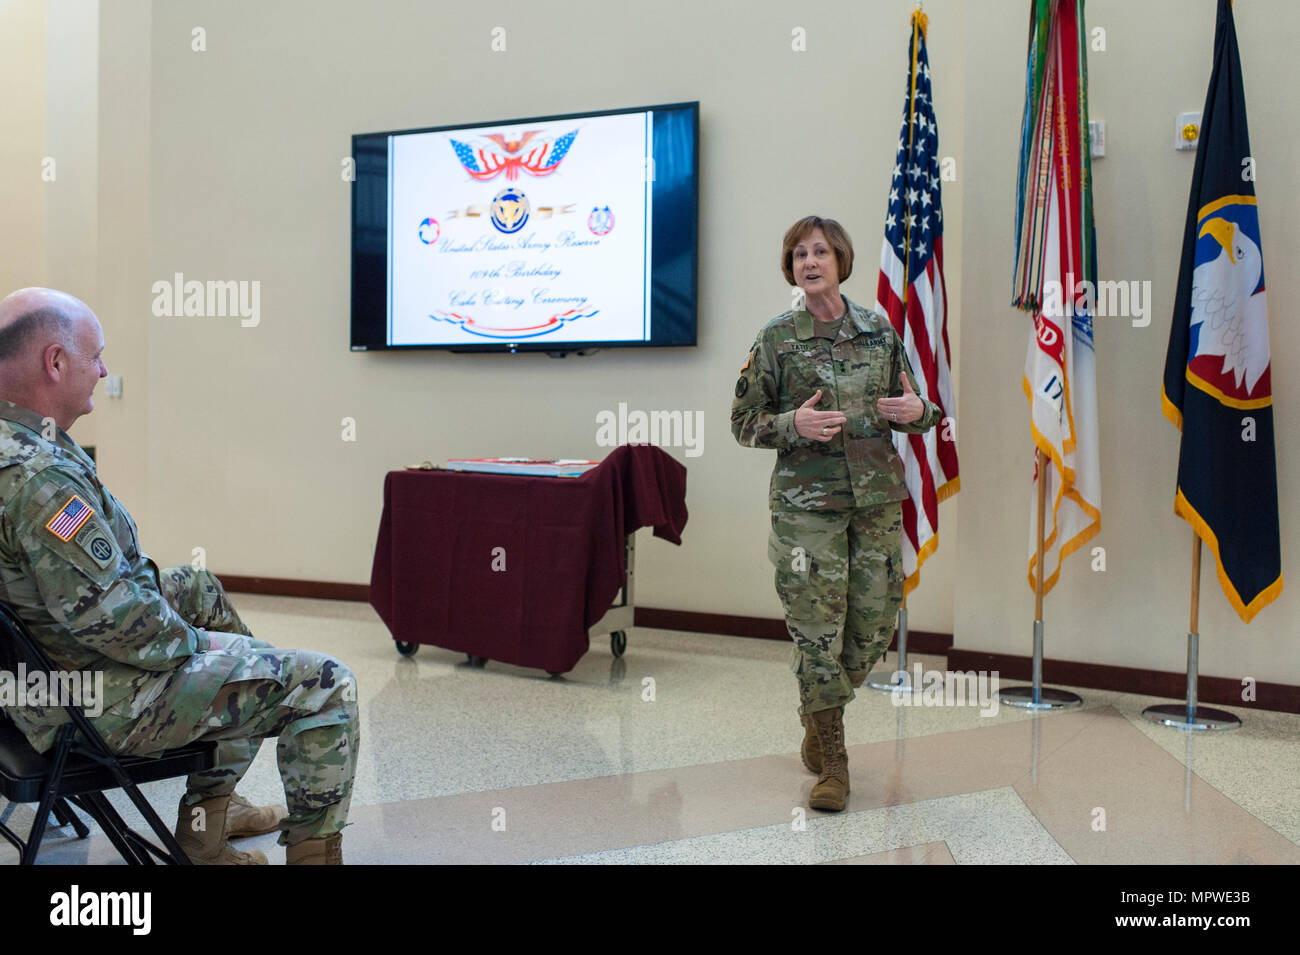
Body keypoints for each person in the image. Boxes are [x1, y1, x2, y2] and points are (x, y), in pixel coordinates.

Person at [0, 287, 359, 864]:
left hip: (36, 669)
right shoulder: (38, 479)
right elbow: (116, 623)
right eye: (96, 356)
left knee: (198, 587)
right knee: (323, 683)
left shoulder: (18, 442)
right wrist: (205, 648)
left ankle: (211, 818)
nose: (104, 370)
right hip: (82, 697)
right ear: (56, 361)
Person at [730, 217, 940, 812]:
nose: (809, 261)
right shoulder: (775, 338)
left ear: (841, 260)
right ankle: (834, 760)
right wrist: (789, 424)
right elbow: (742, 422)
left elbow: (922, 410)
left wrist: (916, 409)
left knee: (873, 625)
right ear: (791, 268)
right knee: (817, 631)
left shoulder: (878, 330)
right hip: (807, 509)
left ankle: (815, 713)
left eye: (820, 251)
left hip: (875, 501)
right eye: (799, 253)